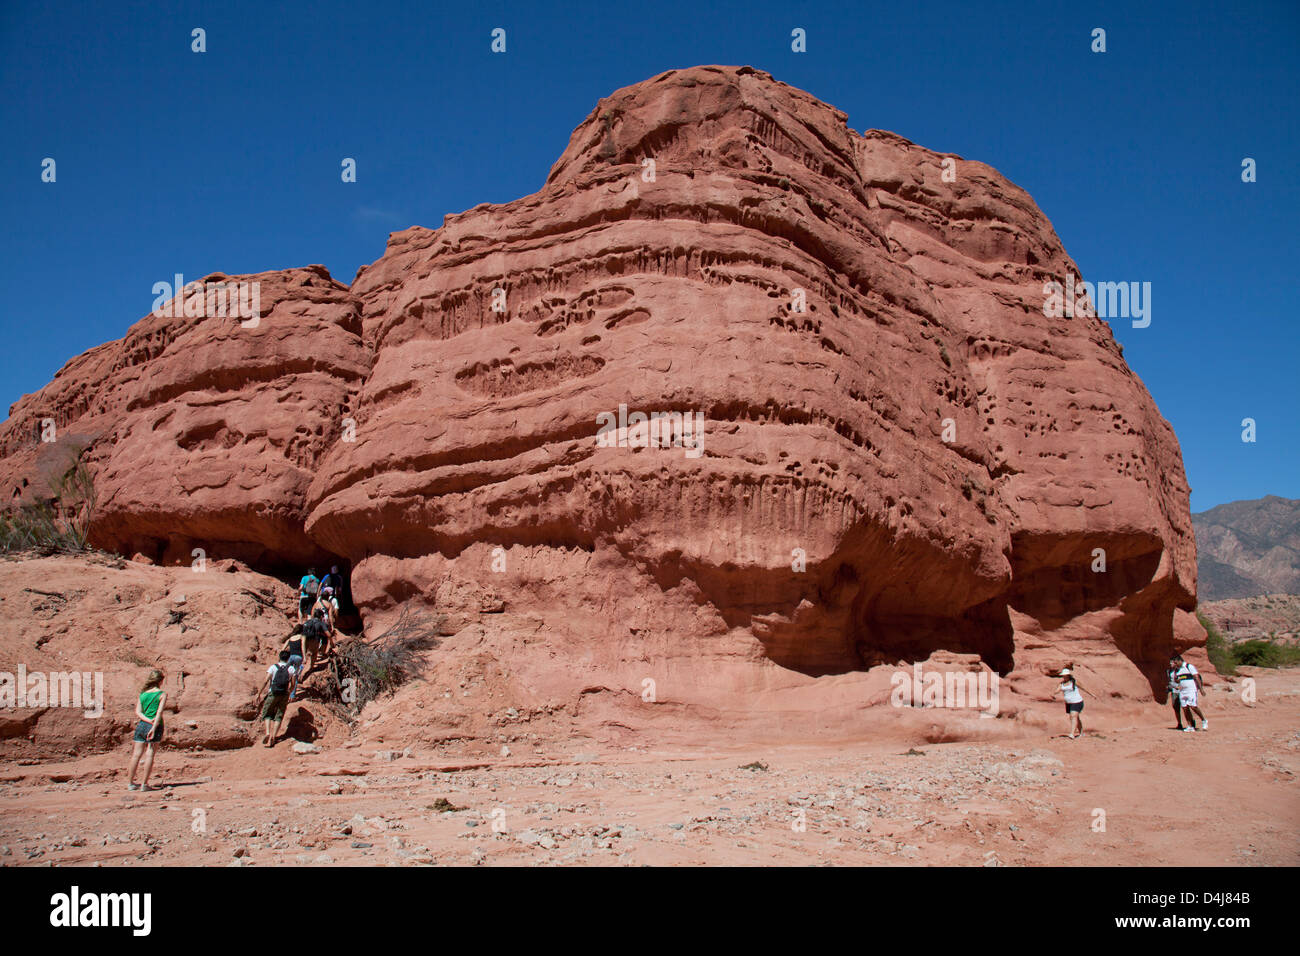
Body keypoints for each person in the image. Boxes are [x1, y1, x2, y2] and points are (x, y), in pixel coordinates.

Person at [127, 669, 167, 791]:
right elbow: (159, 712)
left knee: (136, 755)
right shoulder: (162, 694)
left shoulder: (143, 694)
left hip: (142, 725)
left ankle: (131, 783)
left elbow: (138, 712)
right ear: (160, 681)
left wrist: (147, 720)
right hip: (155, 725)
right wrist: (153, 726)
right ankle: (144, 784)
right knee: (150, 755)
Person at [258, 651, 296, 747]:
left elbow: (266, 680)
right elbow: (293, 684)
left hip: (273, 693)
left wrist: (259, 693)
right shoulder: (291, 668)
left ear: (279, 657)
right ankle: (273, 737)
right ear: (288, 659)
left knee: (267, 713)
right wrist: (290, 692)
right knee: (279, 715)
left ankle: (267, 732)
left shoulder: (273, 667)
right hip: (284, 694)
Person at [1171, 654, 1207, 732]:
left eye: (1176, 662)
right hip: (1182, 691)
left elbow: (1196, 677)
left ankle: (1204, 720)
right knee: (1185, 708)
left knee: (1193, 706)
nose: (1175, 664)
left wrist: (1201, 689)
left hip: (1191, 689)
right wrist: (1176, 679)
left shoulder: (1189, 666)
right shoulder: (1177, 670)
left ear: (1180, 660)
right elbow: (1178, 680)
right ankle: (1190, 726)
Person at [1057, 667, 1087, 738]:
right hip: (1069, 703)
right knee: (1076, 717)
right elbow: (1057, 690)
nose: (1064, 676)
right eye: (1063, 675)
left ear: (1068, 675)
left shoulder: (1074, 682)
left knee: (1073, 716)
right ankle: (1081, 733)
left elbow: (1084, 688)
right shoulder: (1061, 684)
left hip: (1077, 702)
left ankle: (1072, 734)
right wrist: (1054, 694)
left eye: (1065, 675)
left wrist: (1092, 694)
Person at [280, 626, 306, 701]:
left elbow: (283, 649)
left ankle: (282, 691)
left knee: (285, 674)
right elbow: (303, 646)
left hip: (290, 657)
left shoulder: (290, 638)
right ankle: (292, 696)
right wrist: (304, 657)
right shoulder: (302, 637)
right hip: (298, 657)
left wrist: (282, 657)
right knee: (295, 675)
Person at [302, 608, 329, 676]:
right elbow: (328, 634)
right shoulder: (321, 623)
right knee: (314, 654)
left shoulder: (308, 621)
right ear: (320, 616)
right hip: (314, 640)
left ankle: (300, 673)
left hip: (305, 639)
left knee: (304, 657)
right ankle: (311, 668)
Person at [1166, 656, 1186, 730]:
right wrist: (1170, 687)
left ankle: (1190, 722)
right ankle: (1179, 723)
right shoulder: (1169, 671)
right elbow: (1169, 681)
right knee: (1176, 707)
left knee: (1185, 707)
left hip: (1182, 690)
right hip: (1174, 691)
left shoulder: (1181, 670)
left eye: (1172, 662)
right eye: (1170, 662)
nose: (1171, 664)